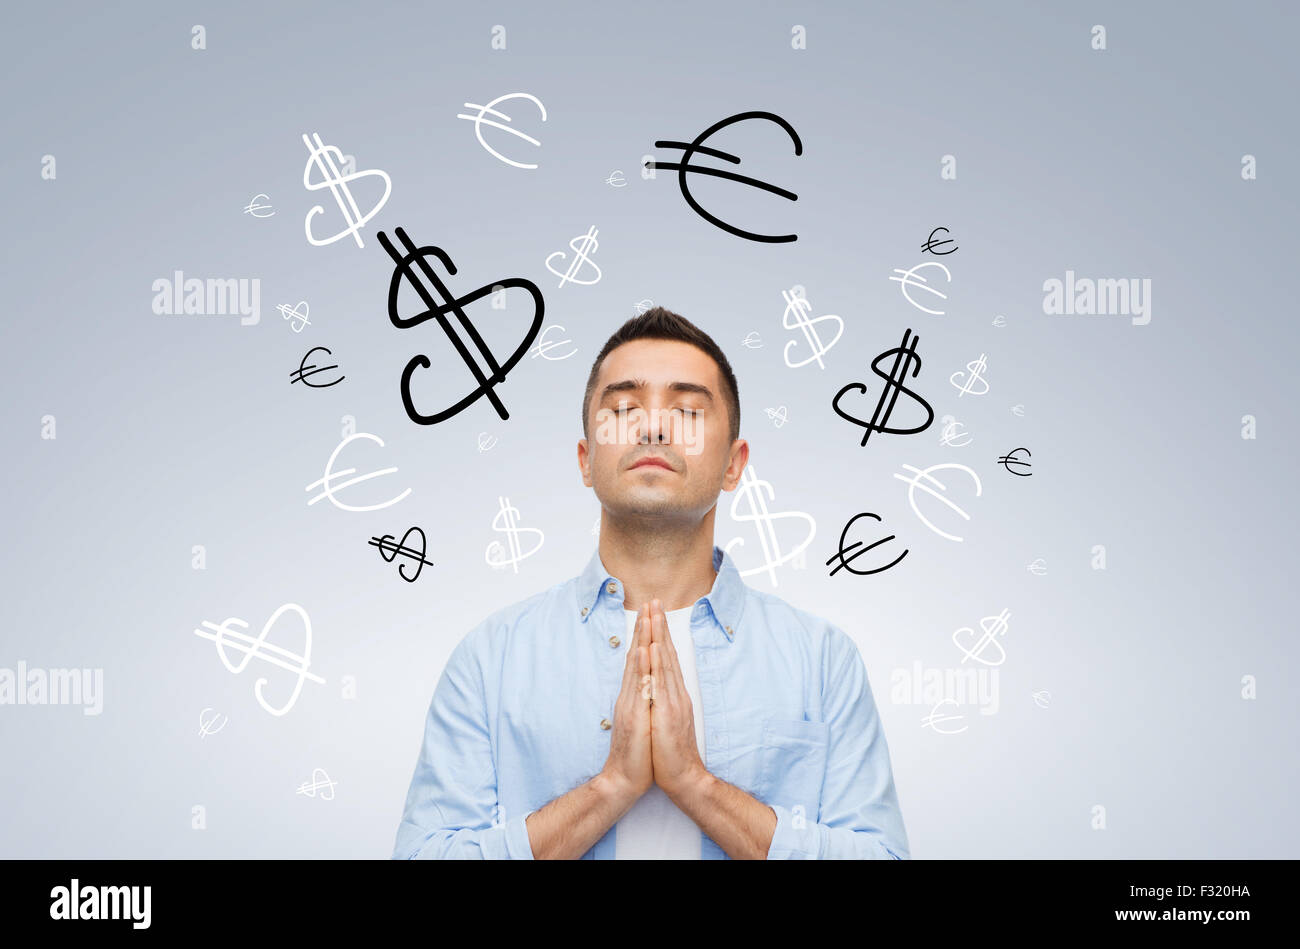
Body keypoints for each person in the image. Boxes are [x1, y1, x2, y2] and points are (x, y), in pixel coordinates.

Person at [392, 307, 909, 859]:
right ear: (586, 461)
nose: (655, 427)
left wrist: (695, 784)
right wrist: (610, 787)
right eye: (622, 409)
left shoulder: (822, 660)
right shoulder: (491, 658)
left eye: (688, 411)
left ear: (735, 465)